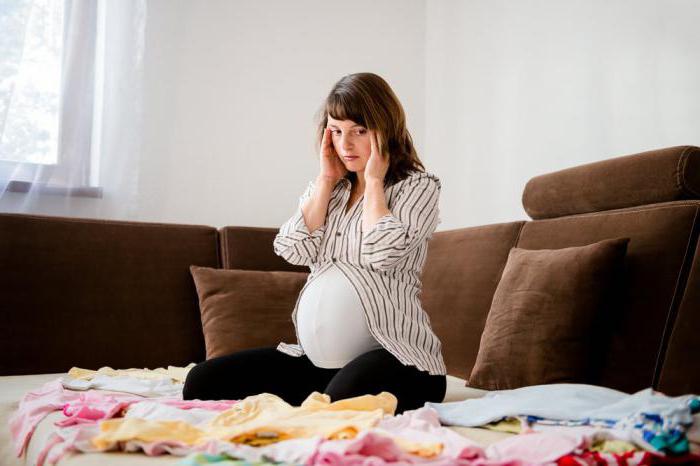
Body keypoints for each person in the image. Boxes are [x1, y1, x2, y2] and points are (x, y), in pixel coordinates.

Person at [183, 72, 447, 414]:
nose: (346, 145)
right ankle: (320, 394)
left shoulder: (418, 187)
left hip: (400, 358)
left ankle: (329, 397)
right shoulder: (328, 190)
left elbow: (381, 252)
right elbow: (292, 249)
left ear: (386, 131)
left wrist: (374, 182)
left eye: (359, 131)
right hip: (317, 363)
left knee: (339, 403)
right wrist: (325, 180)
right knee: (202, 382)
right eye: (336, 131)